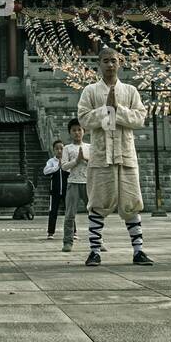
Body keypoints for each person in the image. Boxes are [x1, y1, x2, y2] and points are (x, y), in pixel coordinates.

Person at [76, 46, 154, 267]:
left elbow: (139, 118)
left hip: (125, 154)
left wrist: (117, 109)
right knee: (98, 203)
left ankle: (138, 251)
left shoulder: (130, 91)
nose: (110, 65)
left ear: (120, 63)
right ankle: (94, 251)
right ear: (99, 64)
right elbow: (83, 119)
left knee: (131, 202)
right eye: (106, 61)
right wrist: (105, 109)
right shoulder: (90, 91)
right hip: (101, 155)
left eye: (114, 60)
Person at [58, 119, 91, 252]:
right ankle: (68, 242)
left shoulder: (90, 147)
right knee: (70, 214)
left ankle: (98, 241)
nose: (77, 132)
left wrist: (86, 159)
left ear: (84, 131)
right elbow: (64, 167)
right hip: (73, 183)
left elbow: (96, 165)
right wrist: (76, 160)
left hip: (88, 184)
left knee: (94, 213)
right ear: (70, 133)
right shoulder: (67, 148)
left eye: (79, 130)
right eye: (74, 130)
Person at [42, 140, 70, 240]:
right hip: (54, 192)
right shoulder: (51, 161)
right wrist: (57, 167)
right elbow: (45, 171)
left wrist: (64, 166)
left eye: (61, 148)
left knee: (69, 211)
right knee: (53, 212)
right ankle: (50, 232)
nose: (59, 151)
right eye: (57, 148)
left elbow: (71, 170)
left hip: (67, 191)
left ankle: (73, 232)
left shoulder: (67, 161)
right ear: (54, 150)